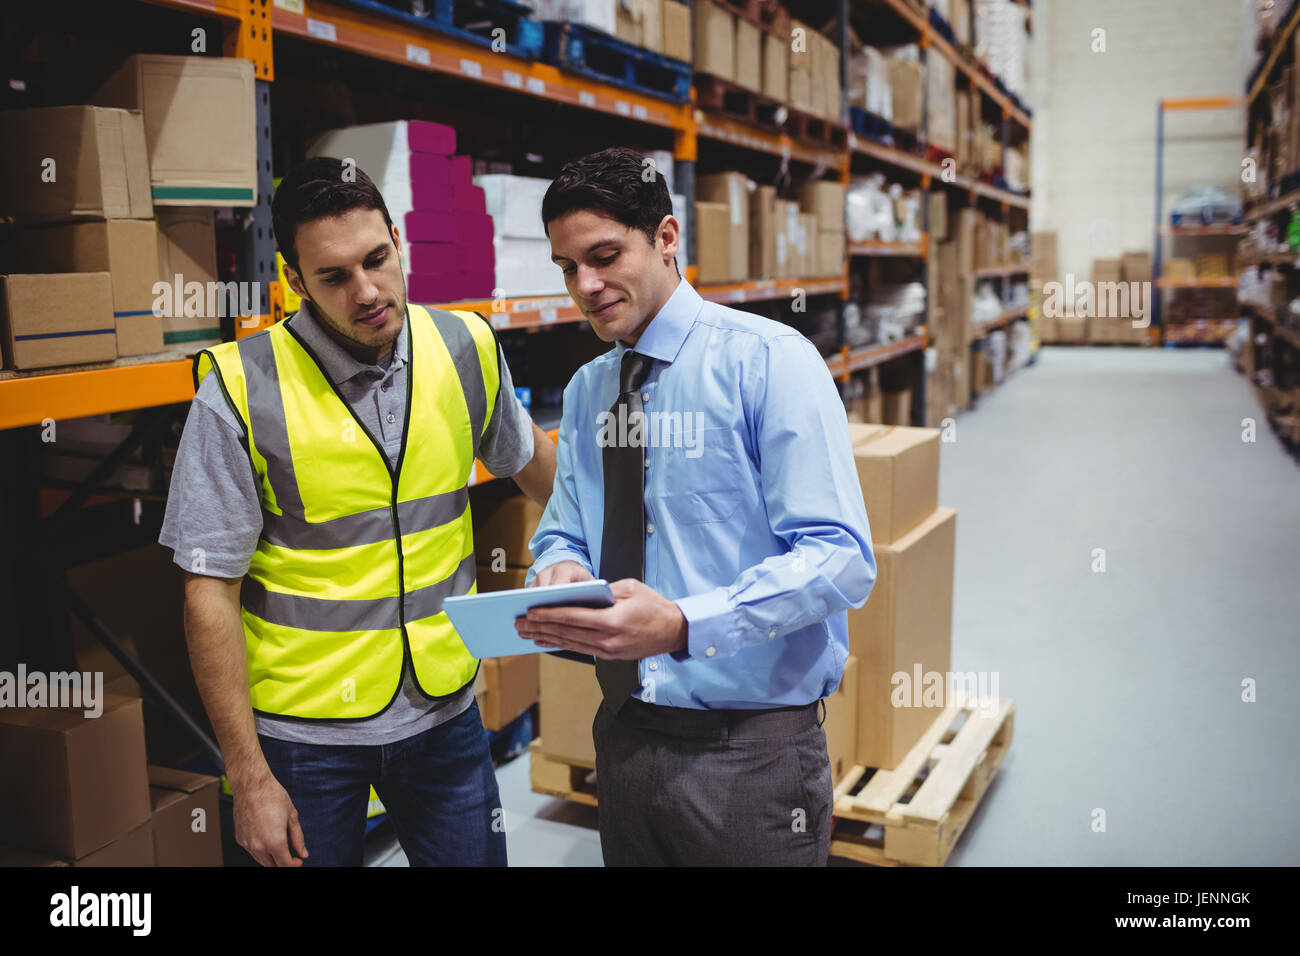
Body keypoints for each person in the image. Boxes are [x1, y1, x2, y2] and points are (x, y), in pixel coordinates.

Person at [159, 156, 556, 867]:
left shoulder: (466, 349)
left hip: (447, 717)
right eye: (334, 277)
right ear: (292, 280)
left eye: (377, 259)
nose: (368, 292)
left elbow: (546, 479)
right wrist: (248, 777)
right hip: (304, 742)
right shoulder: (240, 389)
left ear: (398, 241)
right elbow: (207, 591)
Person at [515, 146, 876, 866]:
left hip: (750, 752)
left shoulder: (768, 361)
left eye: (605, 255)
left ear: (668, 237)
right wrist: (558, 568)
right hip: (623, 735)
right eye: (566, 267)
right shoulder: (591, 390)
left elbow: (841, 560)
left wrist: (684, 623)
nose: (585, 285)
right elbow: (563, 529)